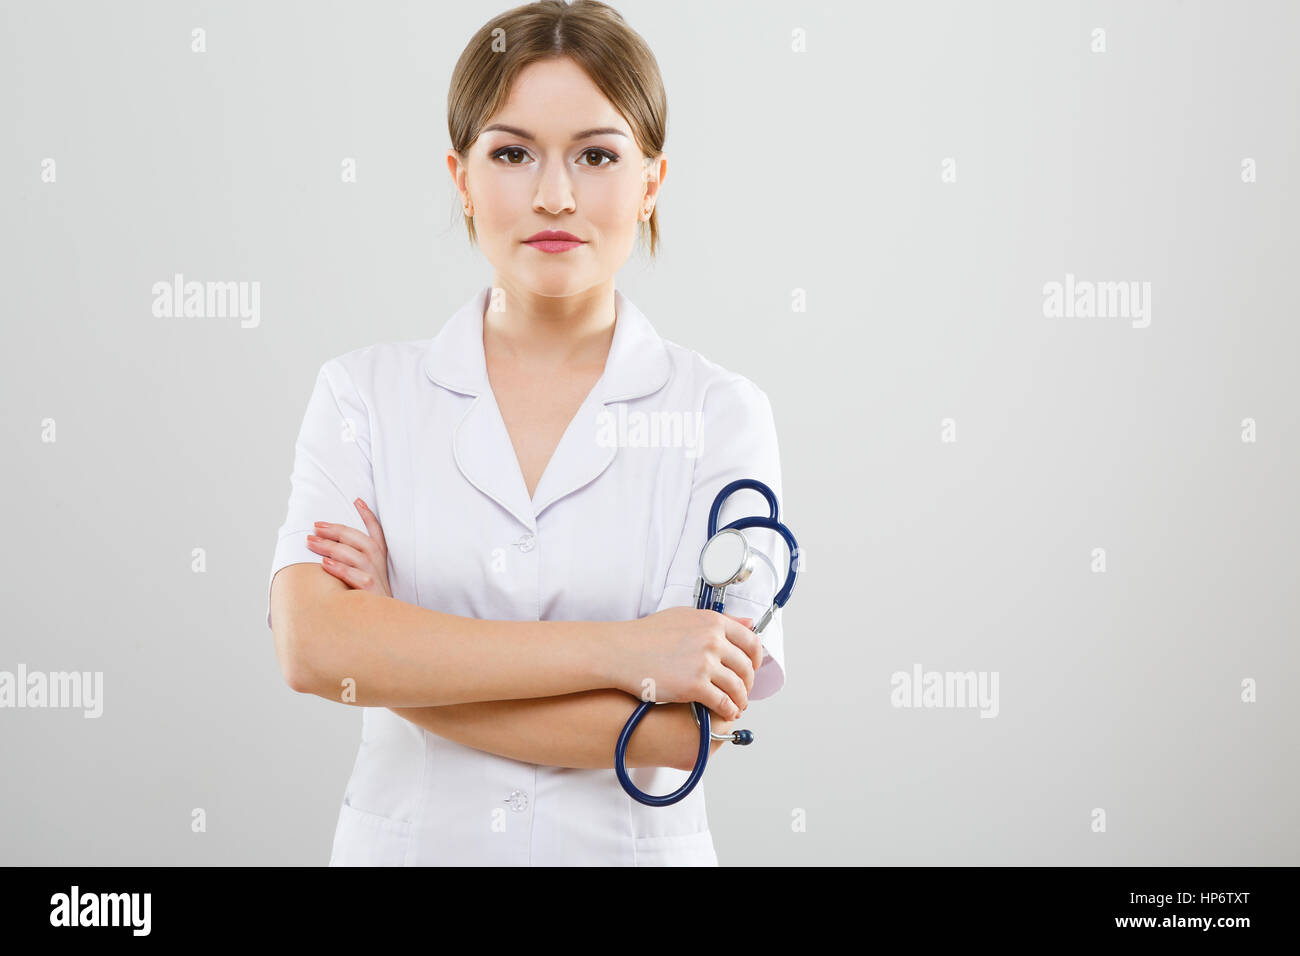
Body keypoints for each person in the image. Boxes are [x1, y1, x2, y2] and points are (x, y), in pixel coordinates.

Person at [266, 0, 789, 866]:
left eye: (596, 155)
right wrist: (626, 649)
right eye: (512, 153)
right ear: (461, 176)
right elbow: (314, 647)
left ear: (652, 180)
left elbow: (683, 737)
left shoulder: (720, 414)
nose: (554, 194)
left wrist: (400, 644)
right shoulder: (362, 394)